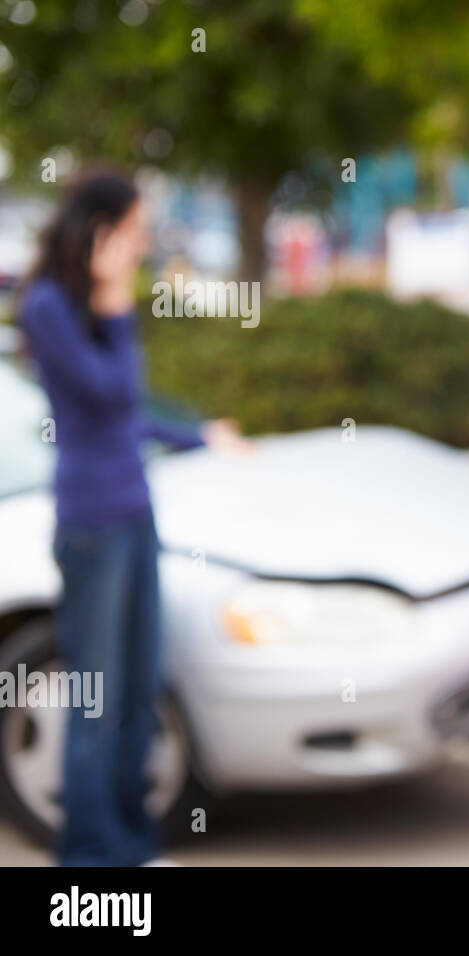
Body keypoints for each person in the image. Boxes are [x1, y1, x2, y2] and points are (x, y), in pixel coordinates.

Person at [17, 167, 252, 866]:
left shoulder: (89, 304)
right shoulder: (51, 306)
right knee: (96, 692)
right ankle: (91, 857)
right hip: (92, 523)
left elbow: (135, 408)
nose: (145, 243)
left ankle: (130, 844)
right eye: (137, 230)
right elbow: (106, 392)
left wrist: (201, 434)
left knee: (138, 684)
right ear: (102, 231)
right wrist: (116, 301)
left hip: (135, 513)